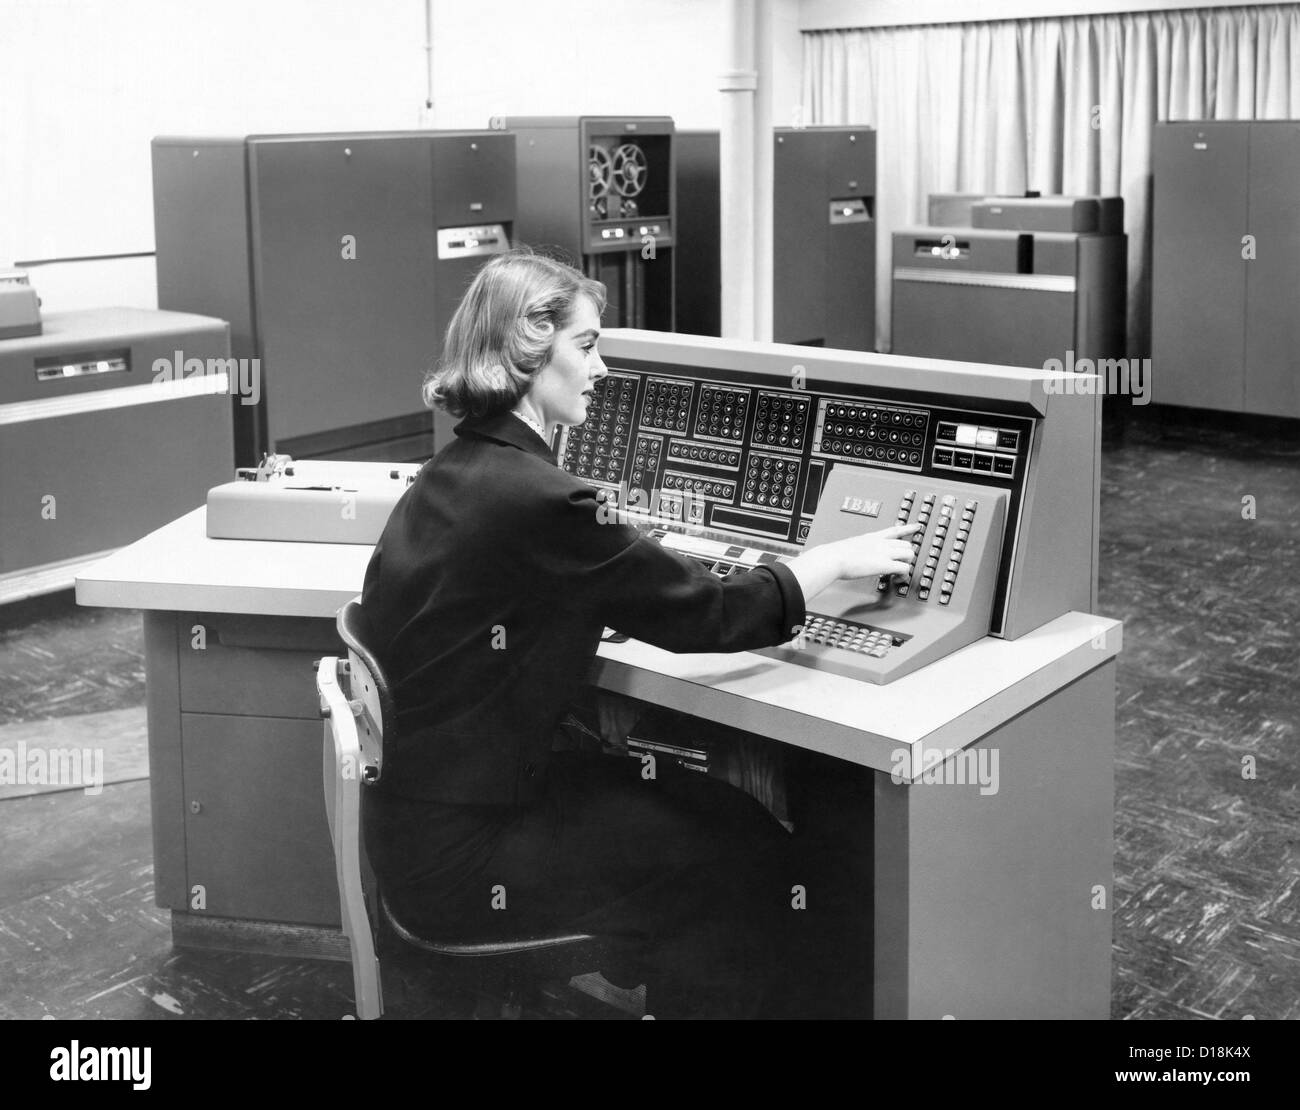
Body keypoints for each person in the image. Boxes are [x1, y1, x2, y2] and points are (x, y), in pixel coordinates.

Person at [359, 249, 919, 1018]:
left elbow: (522, 595)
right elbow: (710, 615)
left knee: (714, 815)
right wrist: (827, 564)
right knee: (740, 849)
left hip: (417, 832)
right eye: (587, 346)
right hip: (467, 857)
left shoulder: (452, 471)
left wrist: (603, 581)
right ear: (528, 350)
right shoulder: (545, 500)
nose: (603, 368)